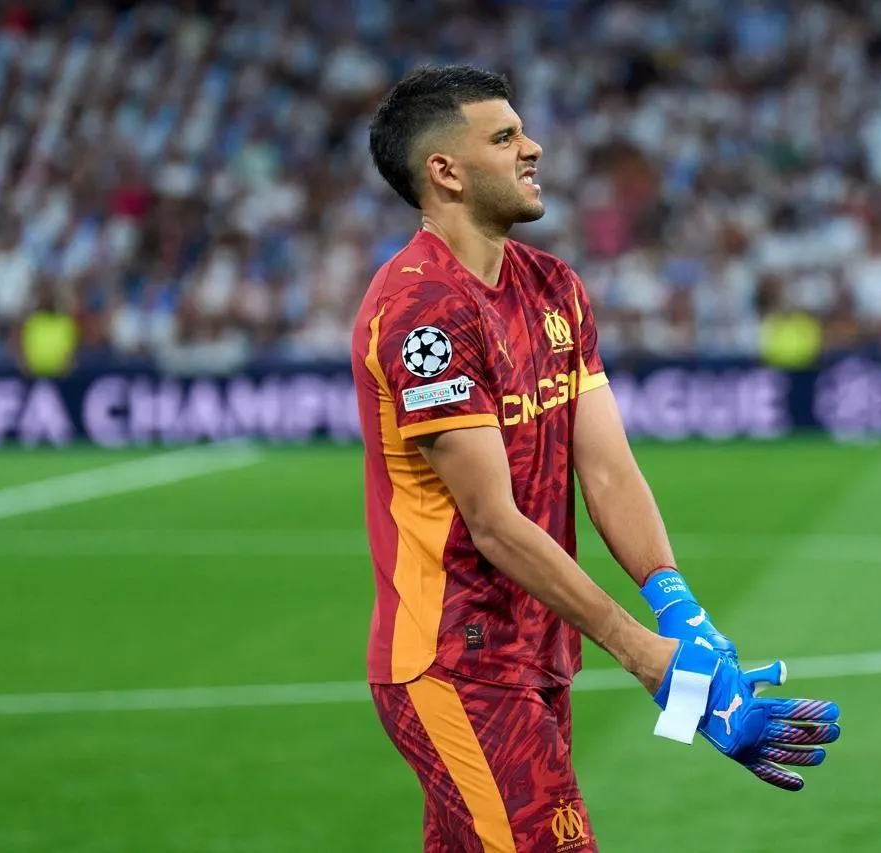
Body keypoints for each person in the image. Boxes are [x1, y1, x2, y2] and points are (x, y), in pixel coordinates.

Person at [351, 65, 841, 852]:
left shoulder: (554, 288)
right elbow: (494, 523)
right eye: (505, 137)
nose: (533, 148)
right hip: (456, 662)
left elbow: (608, 469)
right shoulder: (423, 309)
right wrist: (647, 655)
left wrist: (681, 611)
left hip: (536, 659)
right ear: (444, 171)